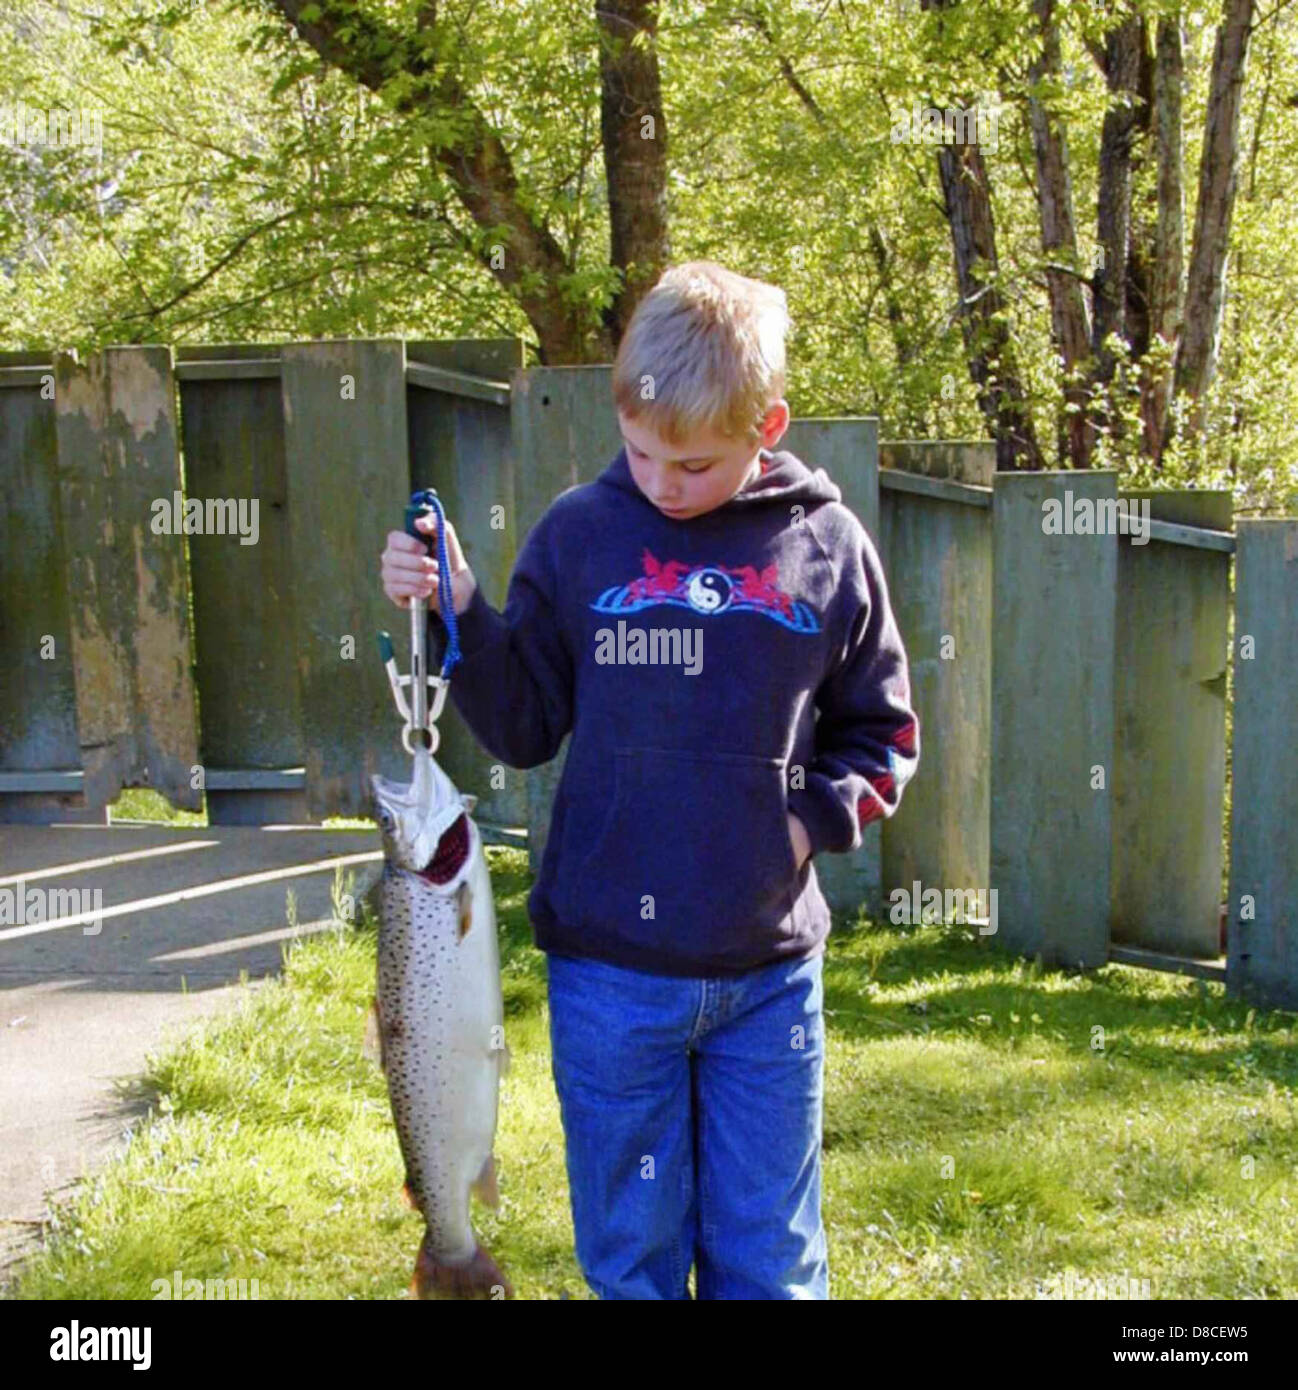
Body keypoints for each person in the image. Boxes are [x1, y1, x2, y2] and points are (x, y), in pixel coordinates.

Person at [379, 260, 919, 1299]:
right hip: (609, 982)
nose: (662, 485)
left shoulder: (827, 547)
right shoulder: (581, 533)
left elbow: (882, 729)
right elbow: (525, 722)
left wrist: (806, 824)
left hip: (768, 980)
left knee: (768, 1257)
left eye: (694, 464)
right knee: (629, 1257)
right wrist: (462, 610)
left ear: (769, 425)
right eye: (639, 454)